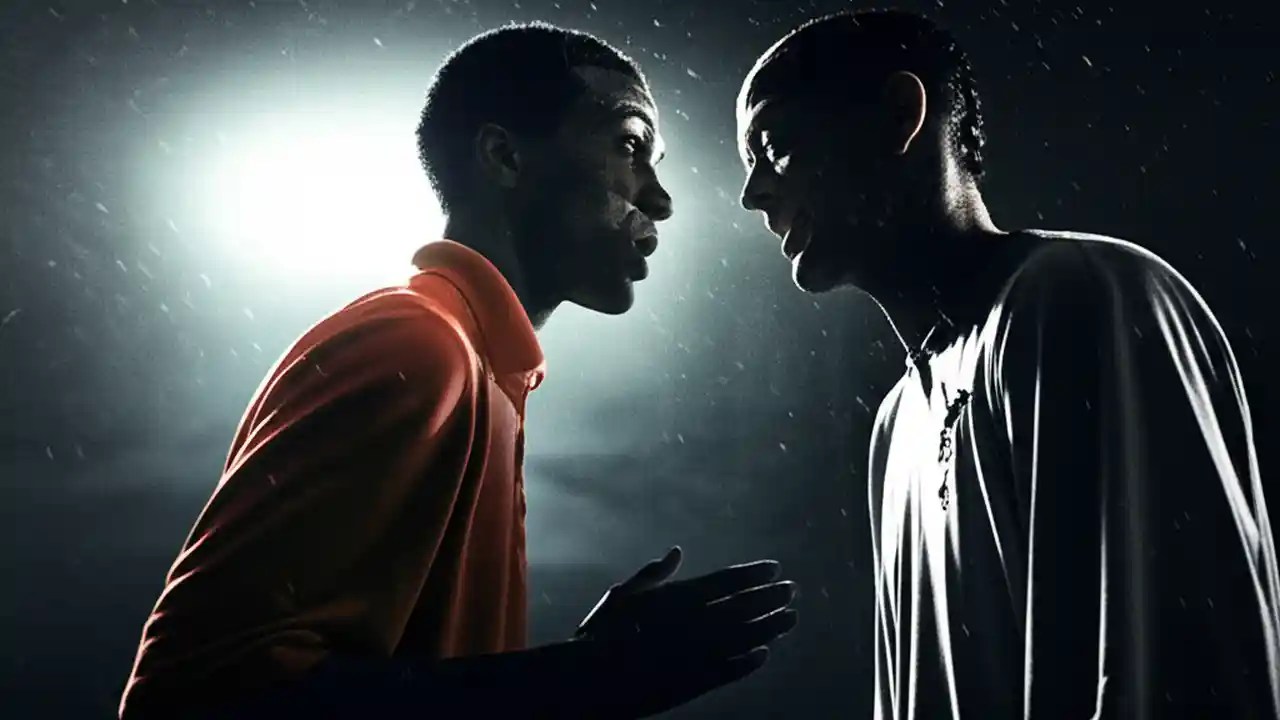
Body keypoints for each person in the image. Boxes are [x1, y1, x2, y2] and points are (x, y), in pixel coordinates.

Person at [120, 22, 798, 720]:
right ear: (504, 156)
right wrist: (584, 676)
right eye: (629, 146)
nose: (660, 200)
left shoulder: (482, 370)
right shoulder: (415, 344)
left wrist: (576, 666)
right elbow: (195, 695)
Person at [736, 9, 1278, 719]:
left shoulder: (1079, 293)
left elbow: (1176, 655)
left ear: (899, 116)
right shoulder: (895, 425)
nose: (753, 195)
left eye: (775, 147)